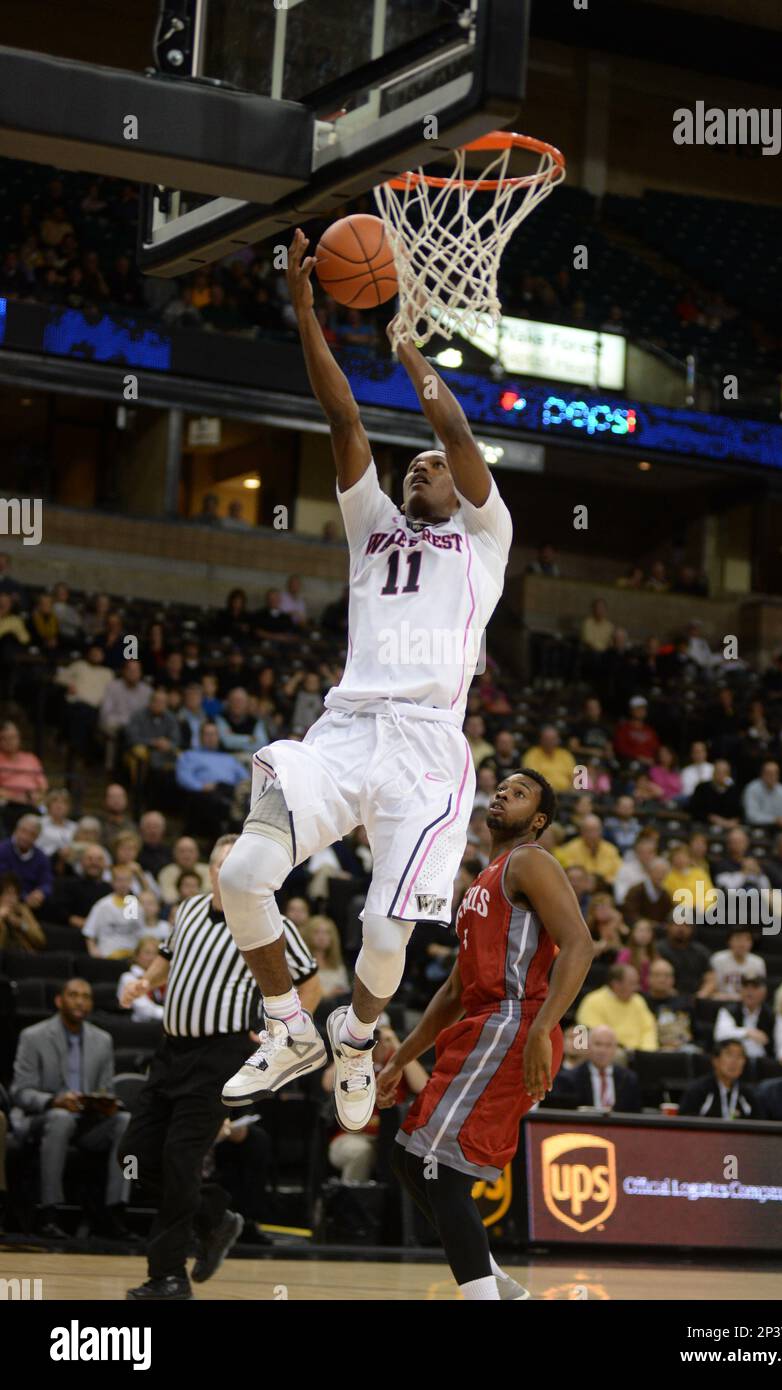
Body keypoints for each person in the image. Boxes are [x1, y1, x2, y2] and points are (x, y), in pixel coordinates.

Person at [218, 228, 515, 1131]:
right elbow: (343, 418)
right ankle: (287, 1027)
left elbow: (456, 429)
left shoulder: (485, 537)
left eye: (429, 466)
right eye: (413, 464)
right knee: (242, 875)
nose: (419, 466)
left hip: (427, 752)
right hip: (345, 730)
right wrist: (307, 310)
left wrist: (408, 346)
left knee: (383, 940)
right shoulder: (373, 528)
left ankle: (355, 1037)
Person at [376, 768, 592, 1300]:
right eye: (501, 787)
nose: (502, 794)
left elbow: (580, 946)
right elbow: (453, 991)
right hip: (485, 1024)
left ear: (538, 820)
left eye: (519, 793)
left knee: (436, 1169)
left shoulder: (530, 860)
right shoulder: (483, 878)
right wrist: (399, 1059)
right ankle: (499, 1285)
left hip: (515, 1023)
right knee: (410, 1158)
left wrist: (544, 1028)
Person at [120, 834, 322, 1299]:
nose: (231, 876)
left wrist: (283, 1032)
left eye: (240, 868)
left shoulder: (267, 920)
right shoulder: (188, 909)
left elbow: (309, 983)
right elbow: (168, 959)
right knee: (132, 1157)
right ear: (212, 871)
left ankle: (168, 1277)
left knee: (180, 1161)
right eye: (223, 867)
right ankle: (215, 1216)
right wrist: (143, 985)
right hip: (170, 1054)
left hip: (220, 1058)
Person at [10, 978, 131, 1238]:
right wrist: (55, 1100)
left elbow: (105, 1089)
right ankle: (49, 1211)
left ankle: (115, 1210)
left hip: (87, 1120)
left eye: (86, 997)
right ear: (59, 1000)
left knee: (126, 1122)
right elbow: (20, 1091)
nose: (80, 1001)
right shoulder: (33, 1036)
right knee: (61, 1117)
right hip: (41, 1118)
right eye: (74, 995)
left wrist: (105, 1104)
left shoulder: (103, 1040)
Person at [324, 1018, 427, 1183]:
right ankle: (354, 1204)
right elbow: (328, 1083)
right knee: (360, 1151)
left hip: (390, 1138)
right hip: (353, 1137)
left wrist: (399, 1046)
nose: (376, 1040)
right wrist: (352, 1046)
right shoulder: (353, 1057)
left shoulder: (397, 1061)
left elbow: (422, 1086)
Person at [548, 1024, 642, 1111]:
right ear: (588, 1046)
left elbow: (635, 1115)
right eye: (598, 1044)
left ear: (615, 1049)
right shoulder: (568, 1079)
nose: (603, 1050)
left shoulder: (629, 1079)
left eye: (608, 1045)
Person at [577, 963, 659, 1052]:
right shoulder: (593, 1000)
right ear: (616, 984)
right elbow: (594, 1033)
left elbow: (649, 1029)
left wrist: (647, 1050)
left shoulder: (638, 1000)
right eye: (632, 983)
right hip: (610, 1052)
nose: (637, 988)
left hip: (639, 1053)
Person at [678, 1039, 759, 1118]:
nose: (734, 1061)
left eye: (739, 1056)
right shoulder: (698, 1090)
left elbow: (759, 1125)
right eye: (729, 1055)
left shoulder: (748, 1094)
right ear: (715, 1060)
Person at [82, 865, 141, 959]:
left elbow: (142, 931)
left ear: (131, 883)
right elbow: (89, 932)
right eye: (119, 880)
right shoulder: (102, 905)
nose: (123, 884)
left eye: (127, 880)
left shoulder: (137, 905)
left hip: (132, 957)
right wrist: (93, 950)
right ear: (112, 882)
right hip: (108, 956)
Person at [0, 814, 53, 911]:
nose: (26, 837)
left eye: (32, 834)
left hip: (32, 904)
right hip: (6, 900)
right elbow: (4, 881)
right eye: (23, 831)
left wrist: (41, 892)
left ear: (37, 837)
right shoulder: (2, 850)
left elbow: (47, 882)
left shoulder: (41, 857)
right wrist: (25, 897)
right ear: (15, 830)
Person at [715, 975, 775, 1059]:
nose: (749, 992)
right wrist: (747, 1033)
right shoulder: (728, 1010)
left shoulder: (772, 1014)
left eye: (754, 987)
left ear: (764, 992)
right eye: (745, 987)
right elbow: (720, 1034)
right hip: (735, 1060)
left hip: (762, 1061)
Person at [642, 957, 695, 1050]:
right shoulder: (640, 1002)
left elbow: (694, 1031)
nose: (662, 979)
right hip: (651, 1048)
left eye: (667, 976)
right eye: (657, 975)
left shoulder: (685, 1002)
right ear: (648, 978)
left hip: (681, 1047)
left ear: (673, 979)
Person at [554, 813, 622, 885]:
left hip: (605, 888)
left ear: (601, 831)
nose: (592, 835)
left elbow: (619, 872)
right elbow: (569, 873)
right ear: (582, 832)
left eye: (595, 830)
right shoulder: (569, 849)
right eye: (588, 831)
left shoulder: (611, 849)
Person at [657, 919, 712, 996]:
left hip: (696, 997)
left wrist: (702, 993)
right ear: (668, 926)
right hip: (667, 996)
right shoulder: (658, 949)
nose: (681, 928)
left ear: (692, 929)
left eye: (686, 925)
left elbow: (710, 977)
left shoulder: (701, 951)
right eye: (677, 924)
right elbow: (655, 976)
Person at [118, 937, 166, 1023]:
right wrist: (171, 1015)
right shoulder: (128, 978)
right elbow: (145, 1010)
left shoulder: (163, 979)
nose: (152, 958)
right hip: (137, 1028)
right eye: (147, 953)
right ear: (136, 956)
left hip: (161, 1024)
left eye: (156, 954)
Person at [710, 928, 766, 1000]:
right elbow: (712, 989)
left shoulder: (758, 962)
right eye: (738, 939)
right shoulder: (718, 959)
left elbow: (761, 990)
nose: (742, 944)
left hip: (746, 1004)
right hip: (722, 1001)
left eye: (747, 939)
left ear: (752, 943)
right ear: (729, 941)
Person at [522, 724, 576, 794]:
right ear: (541, 740)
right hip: (542, 794)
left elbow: (575, 778)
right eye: (547, 739)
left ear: (558, 740)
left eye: (553, 739)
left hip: (565, 794)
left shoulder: (565, 755)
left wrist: (572, 791)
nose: (550, 742)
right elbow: (530, 779)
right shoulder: (532, 754)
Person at [0, 872, 46, 952]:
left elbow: (40, 940)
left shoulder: (22, 910)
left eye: (14, 894)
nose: (11, 899)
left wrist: (21, 925)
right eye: (7, 894)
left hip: (24, 956)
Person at [689, 758, 740, 828]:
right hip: (704, 826)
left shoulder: (733, 791)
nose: (721, 775)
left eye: (724, 772)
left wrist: (733, 821)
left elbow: (739, 813)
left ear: (729, 774)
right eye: (718, 771)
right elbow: (695, 810)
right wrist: (713, 818)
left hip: (729, 828)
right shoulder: (702, 788)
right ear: (713, 772)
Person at [742, 759, 782, 828]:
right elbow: (751, 816)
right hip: (756, 827)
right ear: (762, 774)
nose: (772, 776)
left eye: (775, 773)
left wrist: (780, 820)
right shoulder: (752, 788)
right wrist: (774, 820)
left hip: (779, 827)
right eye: (769, 773)